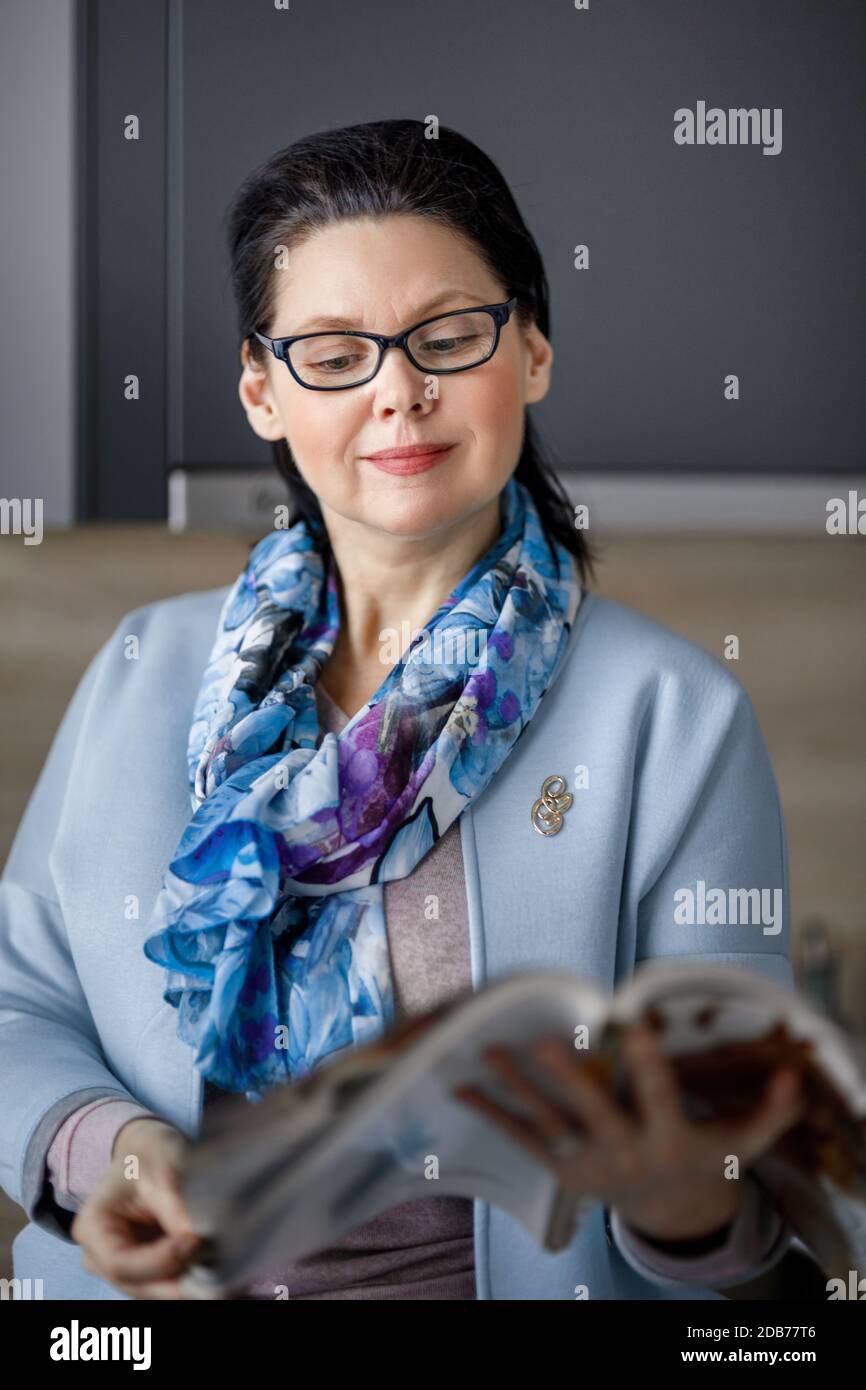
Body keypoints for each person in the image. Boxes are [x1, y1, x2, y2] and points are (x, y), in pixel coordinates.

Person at [0, 120, 803, 1301]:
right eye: (333, 353)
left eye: (446, 335)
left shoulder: (673, 715)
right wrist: (115, 1148)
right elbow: (22, 997)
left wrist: (680, 1183)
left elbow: (753, 1197)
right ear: (262, 391)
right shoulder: (140, 667)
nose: (399, 391)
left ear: (529, 349)